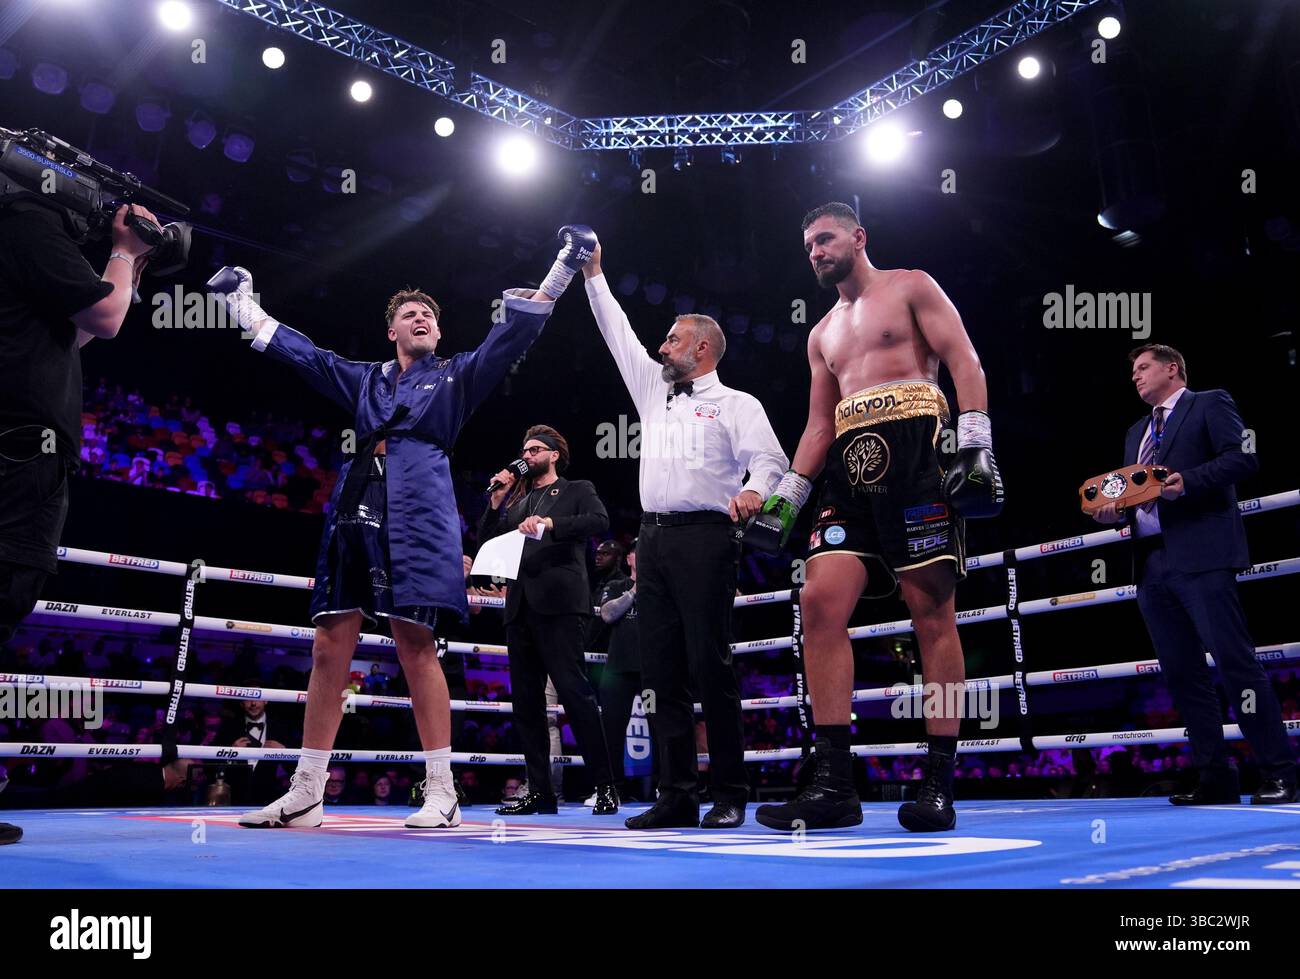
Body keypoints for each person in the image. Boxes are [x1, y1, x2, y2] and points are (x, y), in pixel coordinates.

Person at [211, 226, 593, 830]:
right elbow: (304, 355)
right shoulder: (365, 379)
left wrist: (563, 266)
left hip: (421, 501)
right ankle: (307, 788)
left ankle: (442, 792)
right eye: (408, 314)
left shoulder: (459, 375)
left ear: (437, 333)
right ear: (392, 331)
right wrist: (242, 301)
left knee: (415, 640)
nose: (419, 318)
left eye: (427, 315)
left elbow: (512, 332)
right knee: (329, 640)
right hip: (356, 493)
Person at [752, 202, 1003, 834]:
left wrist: (975, 443)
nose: (815, 251)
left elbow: (966, 361)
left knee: (932, 614)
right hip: (847, 463)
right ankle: (835, 784)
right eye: (808, 244)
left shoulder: (912, 285)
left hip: (918, 451)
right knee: (818, 602)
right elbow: (815, 425)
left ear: (858, 237)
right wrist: (784, 498)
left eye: (825, 239)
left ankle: (939, 782)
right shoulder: (821, 334)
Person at [580, 231, 789, 829]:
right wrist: (595, 273)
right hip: (652, 538)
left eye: (672, 338)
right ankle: (675, 793)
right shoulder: (654, 394)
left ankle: (728, 791)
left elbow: (772, 462)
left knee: (710, 665)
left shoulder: (736, 404)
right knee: (661, 670)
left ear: (701, 348)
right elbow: (615, 330)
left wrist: (754, 489)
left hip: (707, 537)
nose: (660, 345)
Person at [1, 194, 158, 849]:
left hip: (25, 449)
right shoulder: (23, 221)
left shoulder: (24, 250)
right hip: (16, 448)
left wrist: (135, 263)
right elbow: (106, 314)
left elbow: (91, 324)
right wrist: (122, 251)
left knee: (10, 591)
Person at [1092, 344, 1295, 804]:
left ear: (1172, 368)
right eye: (1133, 372)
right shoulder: (1135, 432)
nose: (1136, 377)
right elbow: (1131, 497)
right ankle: (1215, 777)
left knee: (1234, 662)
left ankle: (1279, 771)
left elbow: (1243, 457)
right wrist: (1111, 514)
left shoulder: (1209, 402)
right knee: (1182, 675)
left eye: (1144, 367)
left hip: (1201, 553)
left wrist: (1188, 482)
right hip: (1150, 561)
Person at [479, 424, 619, 815]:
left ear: (554, 454)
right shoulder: (517, 503)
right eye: (524, 450)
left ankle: (606, 786)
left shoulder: (576, 490)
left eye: (536, 449)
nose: (527, 455)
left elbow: (599, 520)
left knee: (575, 696)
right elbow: (486, 541)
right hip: (520, 609)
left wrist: (553, 525)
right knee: (526, 704)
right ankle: (540, 791)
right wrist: (496, 501)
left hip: (560, 606)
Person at [596, 542, 650, 798]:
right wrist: (635, 591)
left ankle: (666, 787)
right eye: (637, 552)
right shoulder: (616, 585)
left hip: (651, 669)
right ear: (629, 558)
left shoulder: (662, 586)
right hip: (618, 670)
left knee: (662, 727)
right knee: (611, 730)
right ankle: (611, 789)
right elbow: (607, 614)